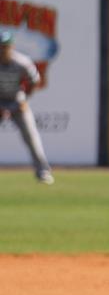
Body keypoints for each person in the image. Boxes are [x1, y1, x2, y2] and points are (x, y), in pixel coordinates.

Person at [0, 30, 53, 185]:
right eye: (0, 47)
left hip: (16, 100)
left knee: (31, 136)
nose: (2, 50)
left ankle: (43, 171)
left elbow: (34, 81)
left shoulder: (21, 62)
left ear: (12, 47)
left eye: (5, 46)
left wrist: (24, 100)